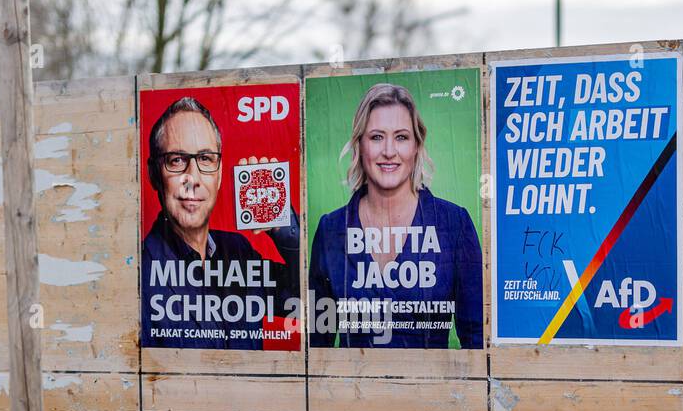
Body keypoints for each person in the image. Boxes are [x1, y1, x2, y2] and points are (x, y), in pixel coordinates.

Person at [308, 83, 483, 348]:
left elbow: (478, 341)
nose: (389, 151)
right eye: (377, 137)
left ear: (416, 145)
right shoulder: (331, 229)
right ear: (360, 145)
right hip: (350, 389)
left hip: (432, 389)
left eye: (401, 137)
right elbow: (315, 344)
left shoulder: (454, 224)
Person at [141, 96, 300, 349]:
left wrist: (284, 229)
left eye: (205, 159)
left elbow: (314, 301)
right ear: (153, 174)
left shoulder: (238, 250)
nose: (192, 178)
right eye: (176, 160)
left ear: (219, 173)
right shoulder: (137, 277)